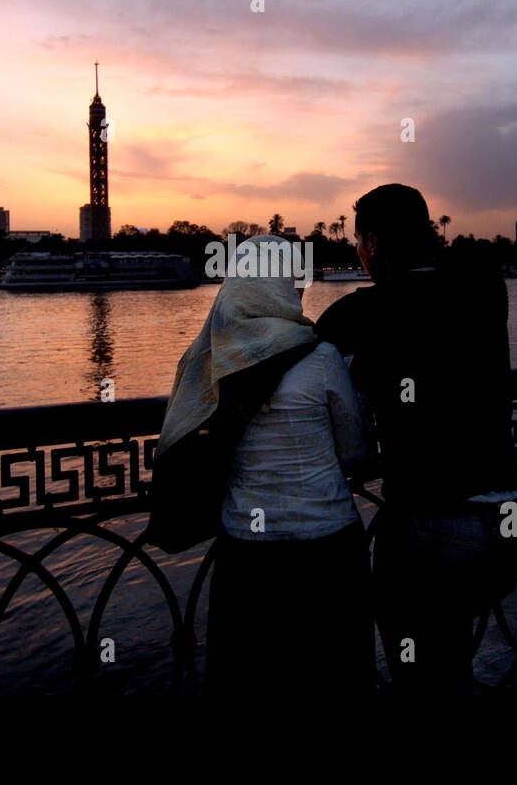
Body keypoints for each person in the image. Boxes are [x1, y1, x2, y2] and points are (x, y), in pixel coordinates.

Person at [315, 184, 517, 693]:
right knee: (450, 665)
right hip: (507, 520)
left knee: (422, 680)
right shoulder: (485, 288)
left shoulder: (359, 314)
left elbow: (304, 362)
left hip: (430, 527)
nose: (359, 254)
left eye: (361, 242)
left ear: (373, 243)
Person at [155, 235, 376, 694]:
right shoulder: (321, 357)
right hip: (328, 549)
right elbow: (356, 454)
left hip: (247, 557)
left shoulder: (206, 361)